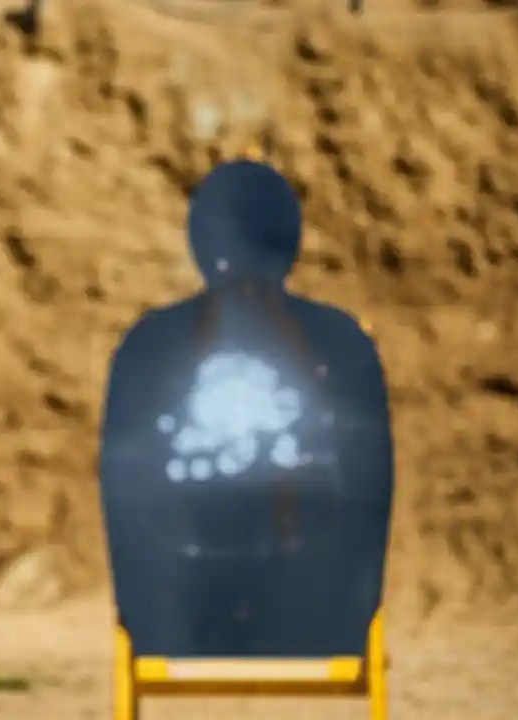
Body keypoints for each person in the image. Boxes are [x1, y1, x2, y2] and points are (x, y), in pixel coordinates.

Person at [98, 159, 394, 658]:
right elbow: (127, 480)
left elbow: (366, 478)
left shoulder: (337, 343)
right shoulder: (153, 345)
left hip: (287, 610)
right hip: (255, 613)